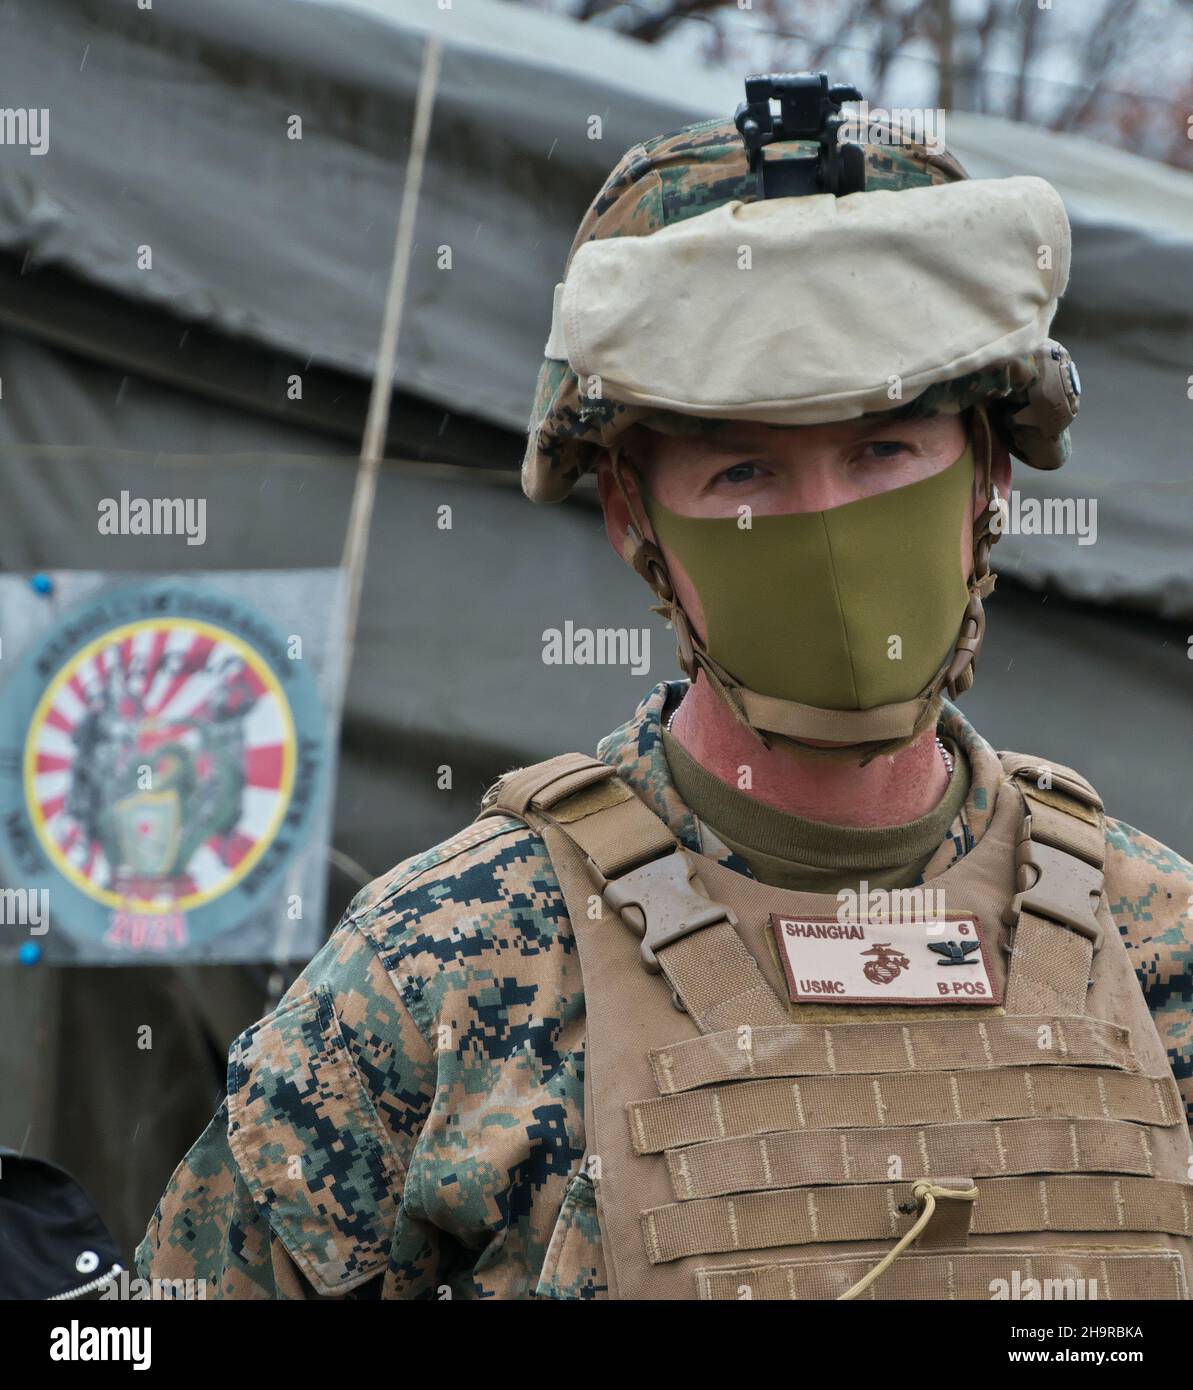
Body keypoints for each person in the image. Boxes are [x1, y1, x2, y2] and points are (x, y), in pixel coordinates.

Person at [136, 76, 1193, 1301]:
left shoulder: (1156, 943)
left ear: (987, 477)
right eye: (744, 468)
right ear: (634, 519)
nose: (830, 530)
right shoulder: (444, 972)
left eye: (883, 449)